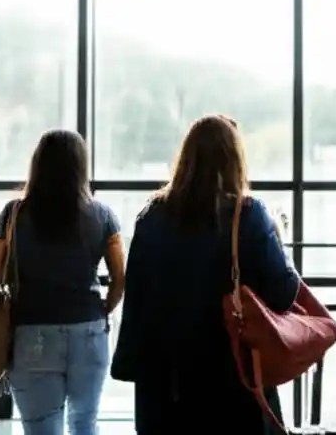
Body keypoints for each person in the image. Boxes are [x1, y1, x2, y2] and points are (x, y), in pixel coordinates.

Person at [111, 114, 298, 434]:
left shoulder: (151, 216)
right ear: (235, 160)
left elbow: (136, 298)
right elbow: (283, 292)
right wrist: (279, 238)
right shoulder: (250, 216)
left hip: (164, 385)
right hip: (231, 381)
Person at [0, 129, 125, 435]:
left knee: (40, 428)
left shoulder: (13, 214)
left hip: (31, 332)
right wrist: (103, 309)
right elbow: (119, 279)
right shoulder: (103, 215)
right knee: (84, 424)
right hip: (88, 331)